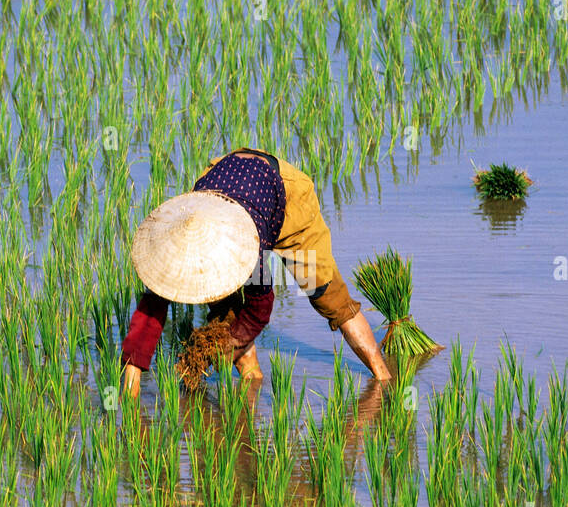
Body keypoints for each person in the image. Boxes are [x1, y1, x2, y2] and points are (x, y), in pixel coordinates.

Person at [120, 146, 390, 395]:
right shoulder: (177, 240)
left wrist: (222, 350)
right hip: (225, 184)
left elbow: (260, 307)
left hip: (286, 199)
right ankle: (252, 386)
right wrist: (131, 378)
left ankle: (383, 379)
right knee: (225, 310)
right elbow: (150, 310)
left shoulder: (248, 248)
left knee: (324, 293)